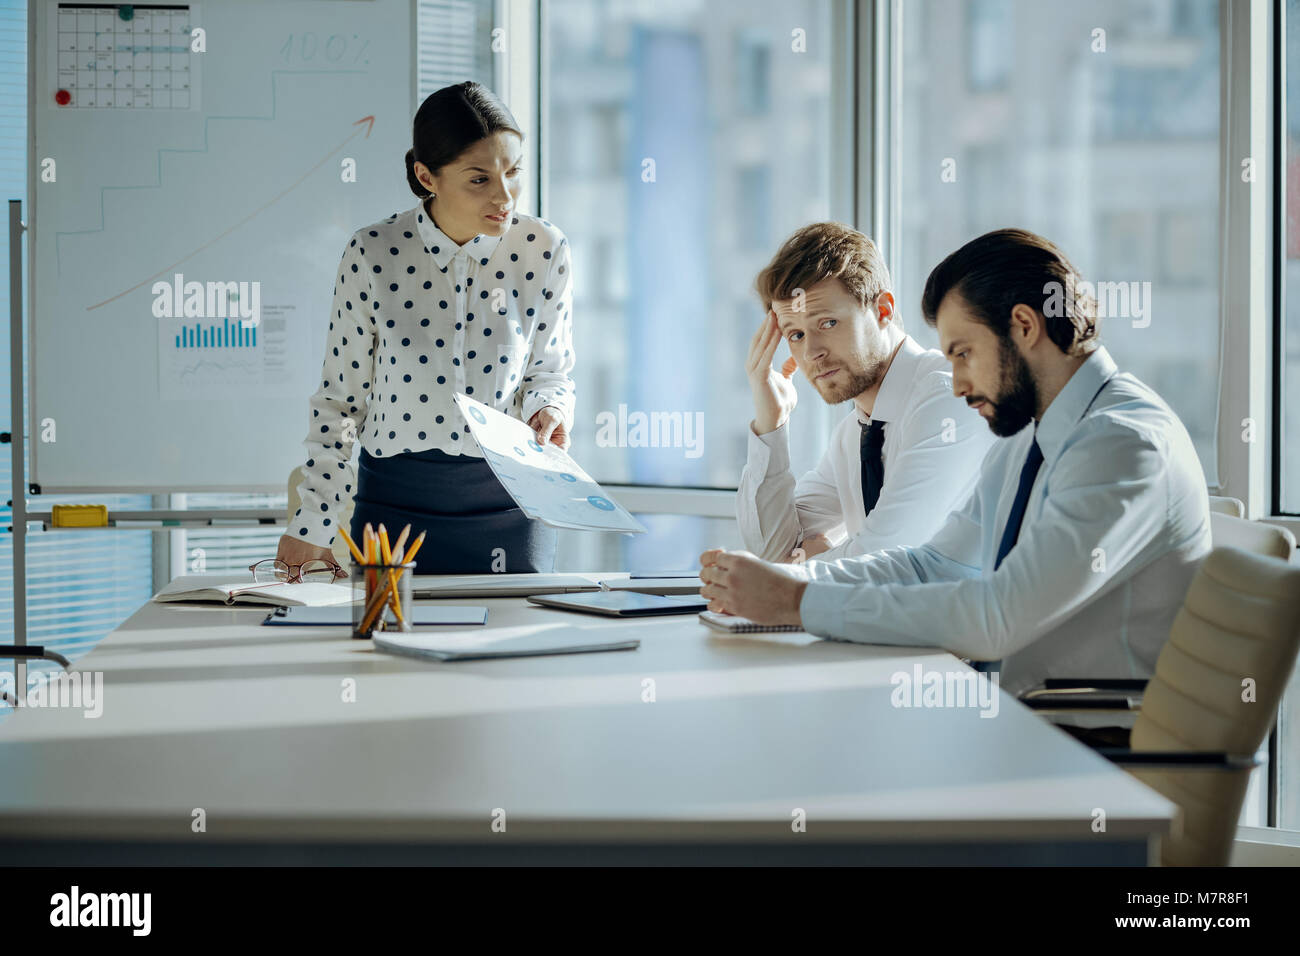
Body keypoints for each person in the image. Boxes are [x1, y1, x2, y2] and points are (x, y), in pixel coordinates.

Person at [701, 228, 1212, 738]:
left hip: (1092, 748)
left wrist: (795, 604)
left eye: (963, 354)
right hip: (1017, 719)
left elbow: (998, 617)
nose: (959, 385)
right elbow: (932, 563)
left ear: (1024, 327)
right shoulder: (1031, 435)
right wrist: (786, 585)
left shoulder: (1122, 443)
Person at [276, 81, 575, 575]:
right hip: (395, 509)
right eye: (479, 179)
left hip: (514, 505)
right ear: (426, 175)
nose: (506, 196)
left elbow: (551, 372)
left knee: (514, 649)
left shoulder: (545, 249)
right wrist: (314, 524)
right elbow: (341, 403)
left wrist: (550, 408)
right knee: (388, 648)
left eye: (513, 171)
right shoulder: (371, 253)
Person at [739, 222, 994, 563]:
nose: (812, 352)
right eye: (796, 335)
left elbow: (886, 557)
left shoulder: (946, 398)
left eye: (827, 323)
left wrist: (801, 567)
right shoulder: (852, 436)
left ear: (883, 310)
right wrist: (772, 422)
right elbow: (771, 551)